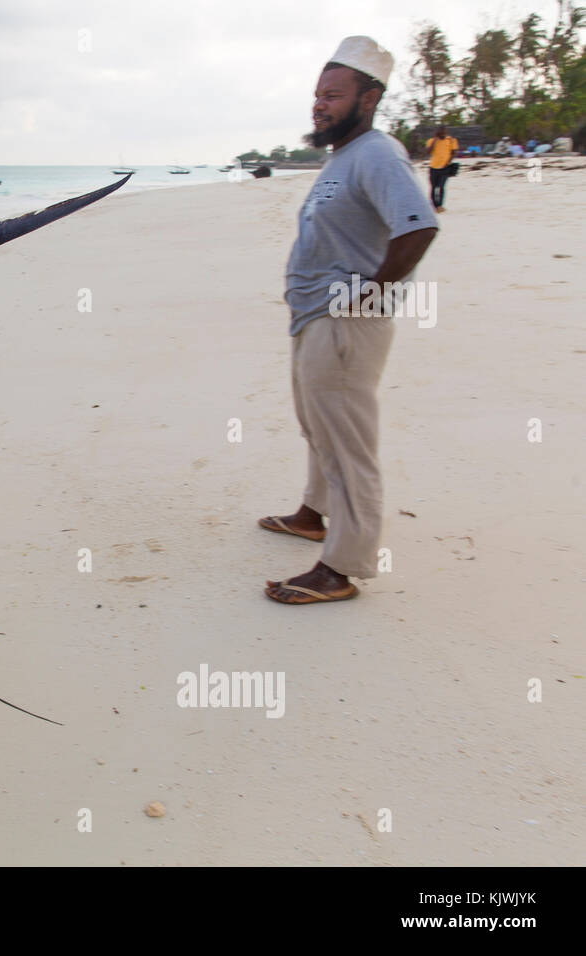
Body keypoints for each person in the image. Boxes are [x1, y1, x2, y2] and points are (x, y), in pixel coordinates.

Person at [259, 36, 438, 605]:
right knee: (317, 426)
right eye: (317, 94)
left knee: (347, 442)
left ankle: (342, 565)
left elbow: (418, 225)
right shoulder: (345, 156)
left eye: (333, 95)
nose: (319, 105)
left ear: (369, 98)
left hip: (344, 325)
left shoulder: (380, 153)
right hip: (314, 318)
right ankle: (314, 514)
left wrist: (369, 294)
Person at [424, 125, 459, 211]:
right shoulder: (431, 141)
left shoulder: (451, 140)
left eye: (444, 132)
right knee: (433, 187)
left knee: (441, 187)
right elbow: (428, 151)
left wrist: (448, 162)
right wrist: (435, 139)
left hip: (445, 168)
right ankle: (434, 206)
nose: (443, 135)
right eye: (440, 133)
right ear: (437, 133)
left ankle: (440, 205)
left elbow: (454, 152)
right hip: (433, 168)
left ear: (446, 132)